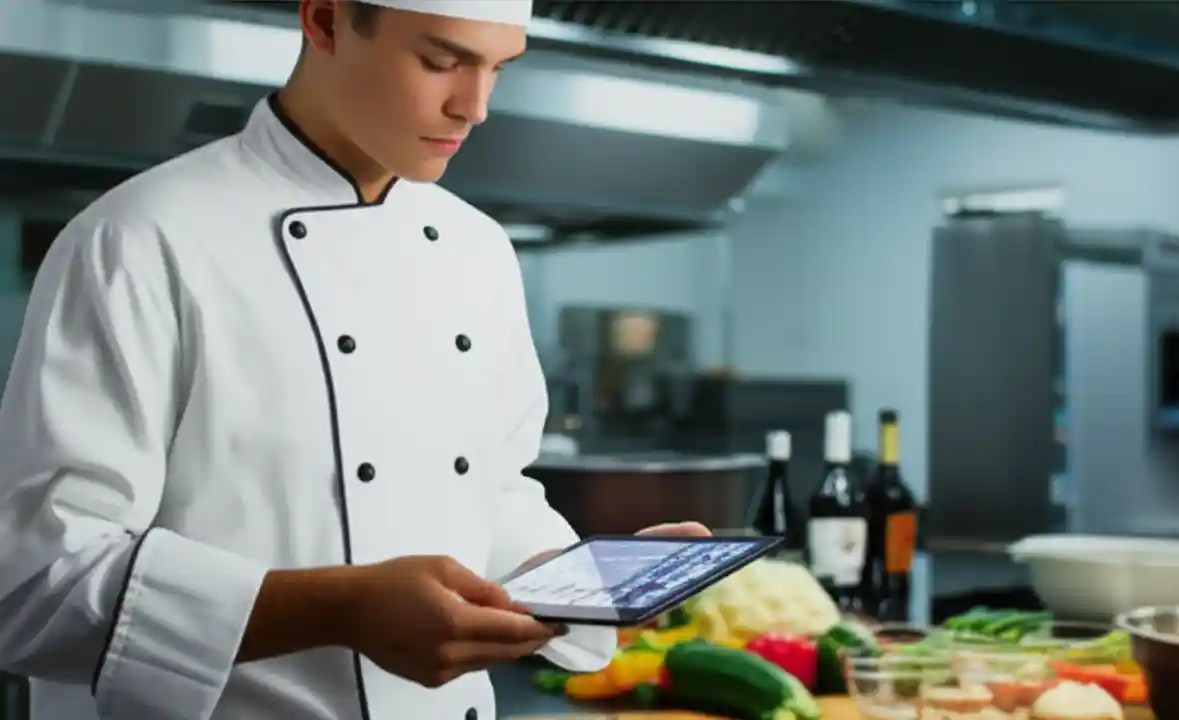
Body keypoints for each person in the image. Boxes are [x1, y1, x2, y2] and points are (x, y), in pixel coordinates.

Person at [0, 1, 711, 718]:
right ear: (327, 20)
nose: (475, 107)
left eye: (498, 68)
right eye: (441, 60)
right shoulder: (140, 242)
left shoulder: (479, 252)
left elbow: (487, 493)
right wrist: (340, 609)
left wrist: (565, 586)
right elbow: (35, 587)